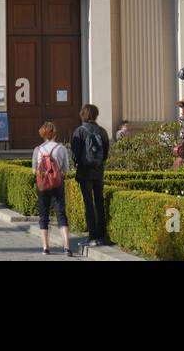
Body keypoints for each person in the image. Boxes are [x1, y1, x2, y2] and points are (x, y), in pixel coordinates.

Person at [71, 104, 110, 247]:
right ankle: (101, 235)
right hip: (98, 172)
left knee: (89, 204)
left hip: (84, 172)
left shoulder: (79, 131)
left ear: (83, 114)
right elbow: (105, 154)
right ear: (96, 115)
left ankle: (92, 237)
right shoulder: (103, 132)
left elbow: (74, 154)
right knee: (99, 203)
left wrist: (77, 163)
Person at [32, 121, 72, 257]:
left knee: (43, 216)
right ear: (55, 132)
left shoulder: (38, 150)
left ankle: (45, 247)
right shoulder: (61, 149)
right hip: (57, 184)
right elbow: (66, 169)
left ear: (42, 134)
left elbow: (34, 171)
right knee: (61, 214)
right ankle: (67, 247)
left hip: (42, 185)